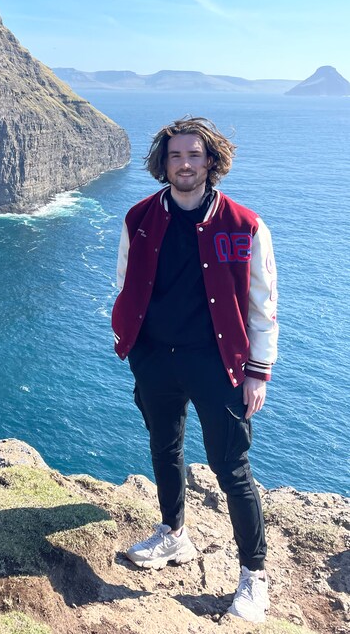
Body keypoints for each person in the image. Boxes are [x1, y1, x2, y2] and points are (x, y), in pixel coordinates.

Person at [111, 117, 278, 623]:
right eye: (175, 156)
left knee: (233, 469)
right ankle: (174, 535)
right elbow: (125, 283)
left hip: (217, 364)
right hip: (156, 359)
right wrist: (133, 348)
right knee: (164, 448)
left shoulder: (244, 225)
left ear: (211, 161)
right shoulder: (138, 218)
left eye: (194, 155)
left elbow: (262, 303)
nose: (184, 164)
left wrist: (258, 372)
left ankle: (254, 576)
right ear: (163, 164)